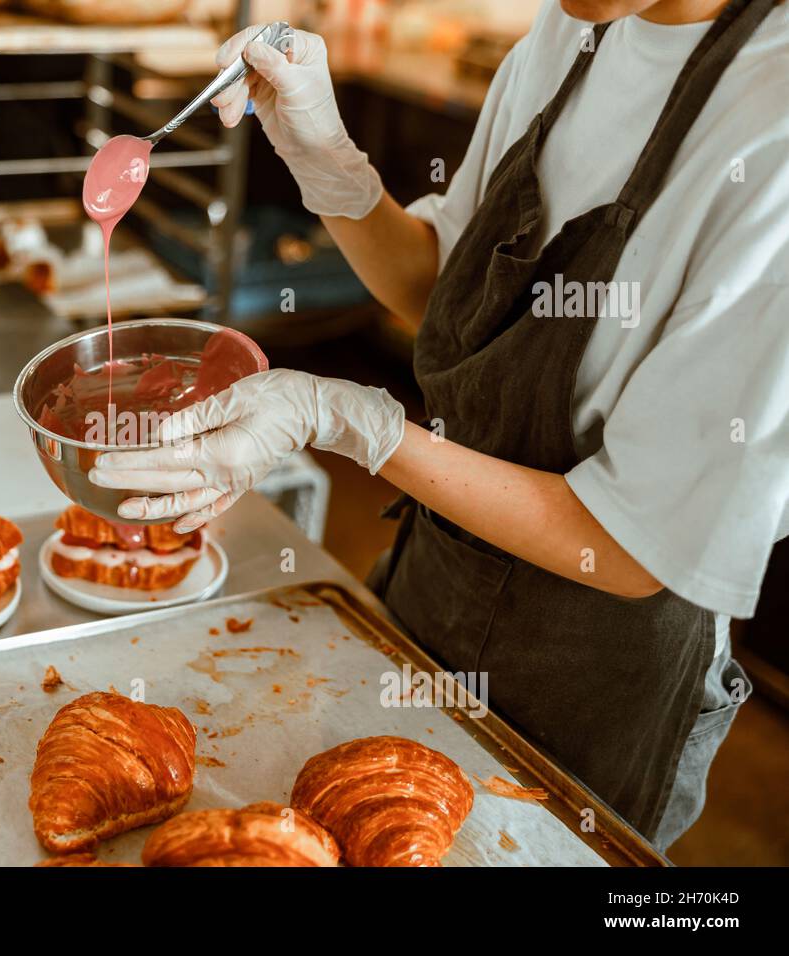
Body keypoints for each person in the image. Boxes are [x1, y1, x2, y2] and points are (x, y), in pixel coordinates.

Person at [89, 0, 789, 849]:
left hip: (600, 679)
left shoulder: (770, 130)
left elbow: (638, 545)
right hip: (433, 585)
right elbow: (441, 293)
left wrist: (347, 422)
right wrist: (329, 164)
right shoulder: (569, 30)